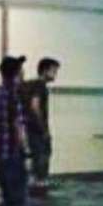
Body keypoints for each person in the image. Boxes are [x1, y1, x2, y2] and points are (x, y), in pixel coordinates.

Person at [0, 55, 29, 206]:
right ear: (16, 75)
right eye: (21, 71)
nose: (24, 75)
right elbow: (18, 125)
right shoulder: (14, 96)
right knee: (18, 200)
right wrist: (26, 151)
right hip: (13, 155)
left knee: (7, 196)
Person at [21, 57, 60, 192]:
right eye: (53, 71)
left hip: (27, 129)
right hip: (37, 130)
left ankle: (33, 187)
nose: (55, 74)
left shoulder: (27, 85)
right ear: (44, 71)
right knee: (42, 159)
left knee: (33, 160)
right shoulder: (40, 86)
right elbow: (35, 106)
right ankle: (41, 187)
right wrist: (44, 129)